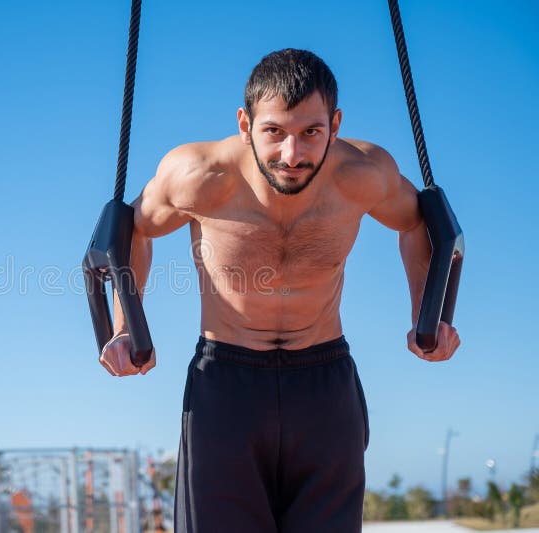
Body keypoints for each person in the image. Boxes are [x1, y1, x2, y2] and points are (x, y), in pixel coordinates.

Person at [98, 48, 461, 532]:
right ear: (245, 125)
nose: (292, 155)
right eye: (274, 132)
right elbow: (134, 232)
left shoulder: (364, 173)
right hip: (226, 385)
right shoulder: (200, 176)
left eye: (311, 132)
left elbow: (419, 223)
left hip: (324, 383)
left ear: (334, 123)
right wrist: (126, 327)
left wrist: (426, 313)